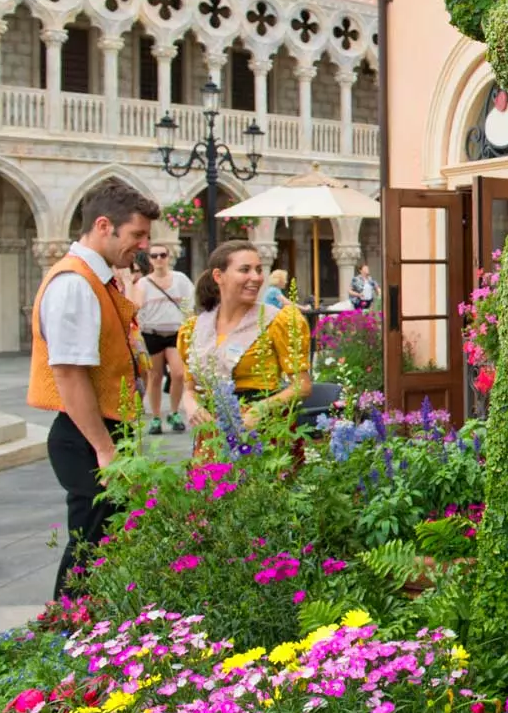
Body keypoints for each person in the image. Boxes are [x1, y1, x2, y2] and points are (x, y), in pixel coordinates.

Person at [27, 180, 158, 601]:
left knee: (105, 535)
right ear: (104, 225)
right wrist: (104, 448)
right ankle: (65, 630)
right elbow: (68, 374)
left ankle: (88, 629)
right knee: (90, 540)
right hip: (86, 434)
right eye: (137, 235)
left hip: (102, 428)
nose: (141, 246)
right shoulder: (74, 283)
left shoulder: (98, 279)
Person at [178, 241, 311, 453]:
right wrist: (191, 405)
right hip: (212, 435)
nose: (256, 277)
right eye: (245, 270)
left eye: (259, 269)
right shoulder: (193, 328)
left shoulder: (279, 321)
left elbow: (302, 385)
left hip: (262, 433)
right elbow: (188, 388)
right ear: (218, 276)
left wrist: (260, 409)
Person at [132, 242, 194, 435]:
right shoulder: (143, 283)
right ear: (149, 260)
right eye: (154, 256)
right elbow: (137, 305)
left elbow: (190, 302)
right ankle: (156, 416)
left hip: (175, 332)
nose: (159, 259)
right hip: (152, 333)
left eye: (163, 255)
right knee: (155, 376)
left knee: (178, 373)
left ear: (169, 257)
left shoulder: (180, 279)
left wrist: (189, 323)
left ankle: (174, 412)